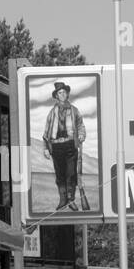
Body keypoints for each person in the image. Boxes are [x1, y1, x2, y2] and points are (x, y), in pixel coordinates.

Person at [42, 81, 86, 210]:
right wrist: (45, 148)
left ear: (67, 94)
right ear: (56, 96)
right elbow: (46, 131)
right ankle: (63, 200)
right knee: (60, 174)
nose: (62, 95)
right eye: (59, 93)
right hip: (56, 147)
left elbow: (80, 125)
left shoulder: (74, 111)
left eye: (64, 92)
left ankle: (71, 200)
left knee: (71, 173)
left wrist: (82, 134)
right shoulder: (52, 113)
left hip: (70, 145)